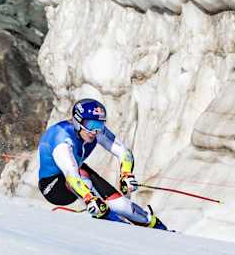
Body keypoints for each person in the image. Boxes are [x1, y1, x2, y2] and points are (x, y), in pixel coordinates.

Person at [37, 98, 168, 230]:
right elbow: (71, 175)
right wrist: (89, 198)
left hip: (78, 174)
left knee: (122, 205)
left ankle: (156, 225)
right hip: (53, 186)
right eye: (91, 125)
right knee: (96, 200)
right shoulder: (61, 138)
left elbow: (123, 152)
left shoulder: (94, 132)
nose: (94, 131)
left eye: (99, 125)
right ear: (77, 121)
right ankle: (107, 217)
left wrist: (126, 174)